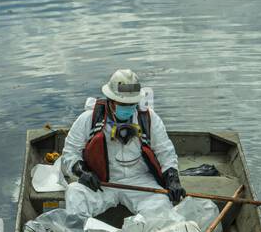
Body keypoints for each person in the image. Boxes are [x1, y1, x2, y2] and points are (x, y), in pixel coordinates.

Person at [60, 68, 187, 220]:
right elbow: (70, 152)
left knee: (161, 207)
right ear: (110, 100)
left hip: (141, 183)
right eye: (122, 103)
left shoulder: (149, 118)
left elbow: (165, 151)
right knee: (75, 193)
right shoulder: (89, 118)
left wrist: (173, 179)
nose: (127, 108)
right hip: (103, 183)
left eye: (132, 103)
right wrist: (82, 172)